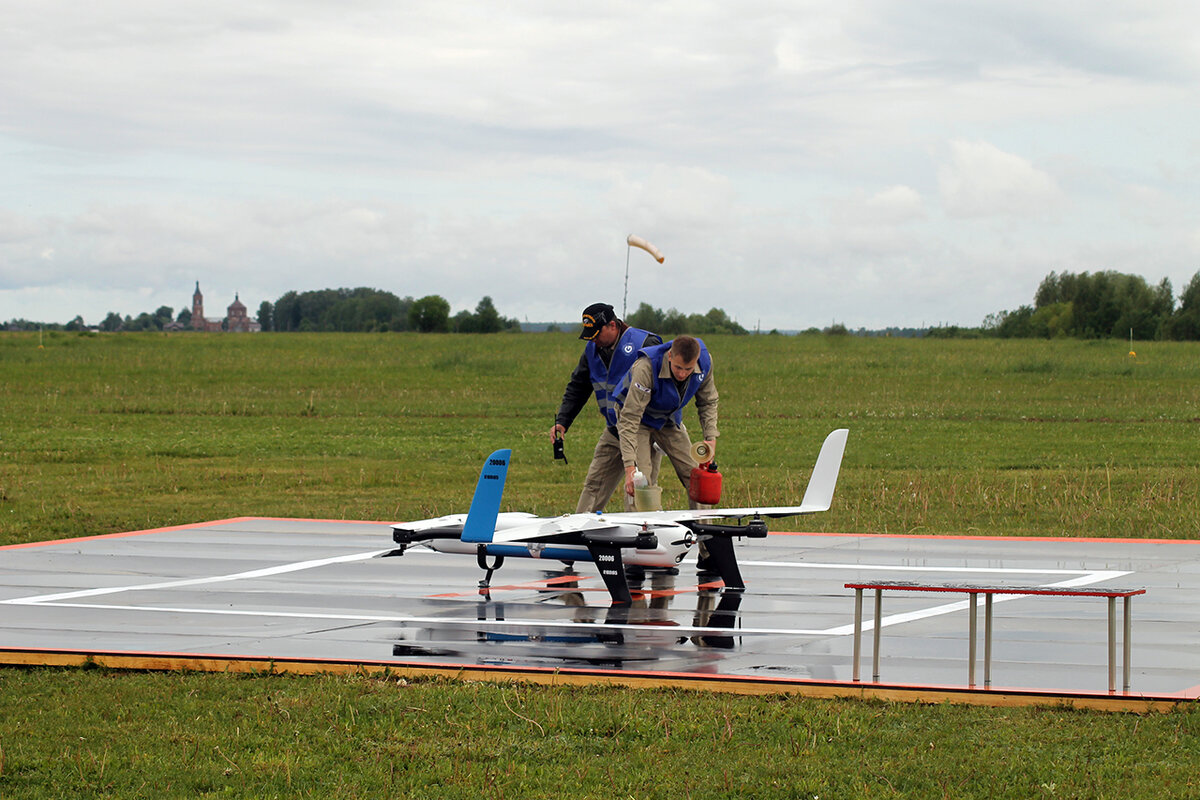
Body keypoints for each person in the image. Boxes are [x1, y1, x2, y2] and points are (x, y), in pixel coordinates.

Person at [550, 303, 662, 512]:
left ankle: (641, 539)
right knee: (593, 485)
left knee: (638, 493)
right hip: (613, 430)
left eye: (596, 333)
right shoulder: (592, 350)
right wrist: (562, 421)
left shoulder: (646, 343)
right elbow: (578, 386)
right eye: (589, 335)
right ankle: (579, 537)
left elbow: (665, 387)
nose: (593, 340)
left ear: (613, 325)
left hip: (642, 432)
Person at [615, 334, 718, 508]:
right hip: (639, 419)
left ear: (696, 361)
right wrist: (629, 467)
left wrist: (710, 438)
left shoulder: (705, 362)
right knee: (641, 482)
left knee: (697, 477)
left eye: (688, 369)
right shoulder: (646, 367)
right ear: (669, 356)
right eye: (678, 367)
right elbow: (630, 419)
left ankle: (704, 532)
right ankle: (643, 531)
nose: (682, 374)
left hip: (668, 419)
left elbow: (708, 401)